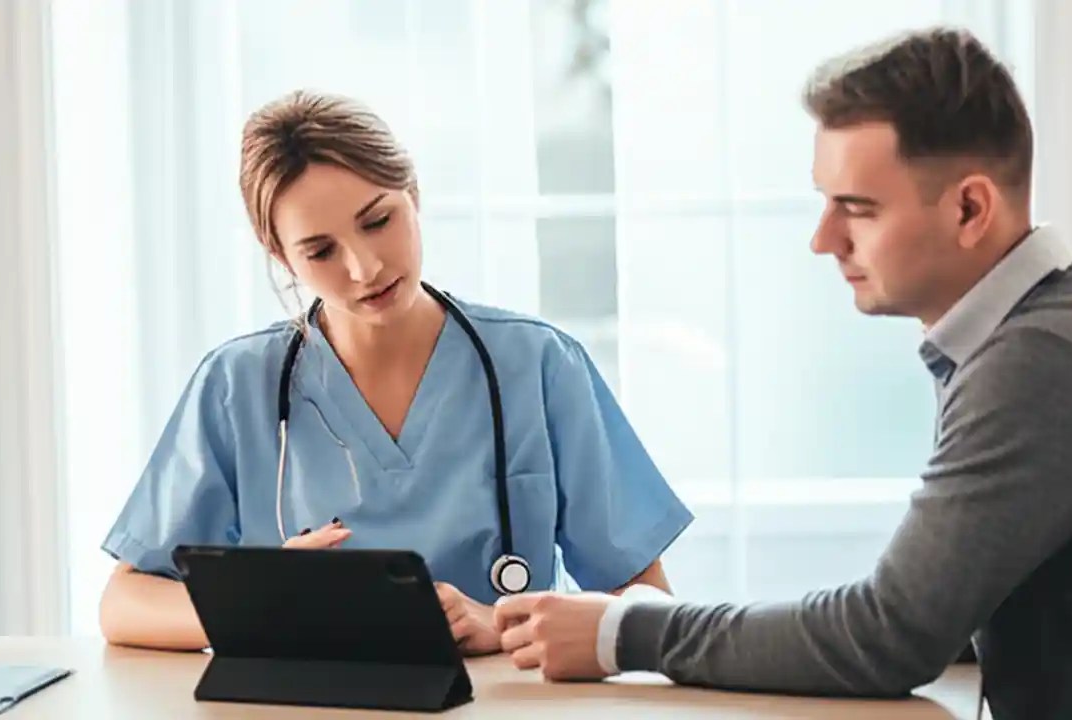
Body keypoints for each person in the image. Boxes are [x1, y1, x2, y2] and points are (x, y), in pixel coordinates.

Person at [494, 27, 1072, 719]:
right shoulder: (1037, 333)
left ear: (971, 208)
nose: (823, 240)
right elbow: (923, 614)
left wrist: (624, 631)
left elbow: (889, 637)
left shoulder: (1047, 361)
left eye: (857, 208)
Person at [98, 89, 693, 655]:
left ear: (412, 192)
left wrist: (504, 625)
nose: (364, 267)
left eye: (378, 221)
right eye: (320, 251)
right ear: (279, 254)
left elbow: (644, 603)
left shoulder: (539, 365)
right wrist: (267, 598)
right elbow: (124, 604)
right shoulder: (237, 384)